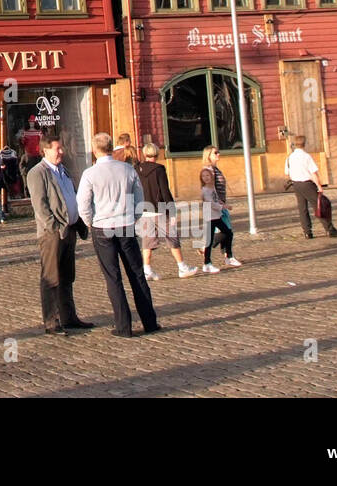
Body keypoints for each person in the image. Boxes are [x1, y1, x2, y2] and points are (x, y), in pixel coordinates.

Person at [79, 133, 160, 337]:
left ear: (95, 150)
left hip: (103, 226)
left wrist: (91, 222)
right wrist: (133, 216)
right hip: (125, 224)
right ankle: (149, 321)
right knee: (137, 274)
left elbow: (83, 204)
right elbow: (139, 198)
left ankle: (124, 326)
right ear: (111, 148)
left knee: (113, 277)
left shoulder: (90, 174)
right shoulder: (127, 169)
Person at [26, 133, 93, 335]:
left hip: (70, 230)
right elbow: (40, 205)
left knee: (66, 276)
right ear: (45, 150)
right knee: (51, 277)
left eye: (61, 148)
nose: (61, 152)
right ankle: (51, 321)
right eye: (57, 148)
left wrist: (78, 222)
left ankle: (69, 317)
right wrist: (54, 227)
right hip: (53, 234)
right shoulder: (37, 173)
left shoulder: (63, 170)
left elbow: (71, 197)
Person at [133, 142, 198, 279]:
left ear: (144, 154)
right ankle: (182, 267)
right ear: (157, 154)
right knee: (172, 238)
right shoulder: (159, 169)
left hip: (143, 210)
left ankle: (147, 269)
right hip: (159, 209)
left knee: (147, 242)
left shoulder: (136, 169)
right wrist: (172, 211)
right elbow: (164, 191)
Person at [285, 136, 337, 238]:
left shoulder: (290, 157)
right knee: (319, 206)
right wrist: (319, 186)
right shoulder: (306, 157)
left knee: (302, 208)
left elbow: (287, 172)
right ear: (305, 144)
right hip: (307, 184)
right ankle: (329, 229)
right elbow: (313, 173)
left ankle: (307, 232)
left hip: (296, 184)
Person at [199, 146, 239, 263]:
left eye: (218, 152)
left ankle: (227, 254)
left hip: (219, 204)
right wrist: (220, 204)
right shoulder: (209, 170)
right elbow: (210, 189)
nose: (218, 154)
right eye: (215, 153)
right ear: (208, 156)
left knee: (225, 231)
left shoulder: (215, 169)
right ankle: (225, 255)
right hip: (216, 206)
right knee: (226, 231)